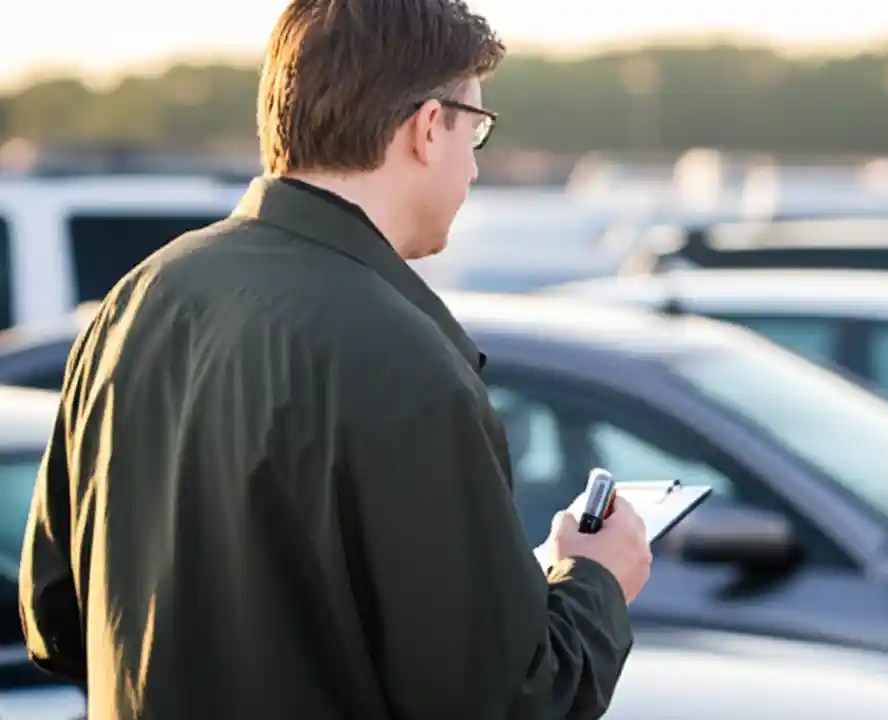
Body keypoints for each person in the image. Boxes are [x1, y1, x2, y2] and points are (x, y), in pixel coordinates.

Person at [18, 1, 652, 717]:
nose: (475, 167)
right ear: (427, 128)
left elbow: (54, 619)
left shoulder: (133, 303)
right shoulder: (406, 361)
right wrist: (597, 580)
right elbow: (510, 702)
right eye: (476, 128)